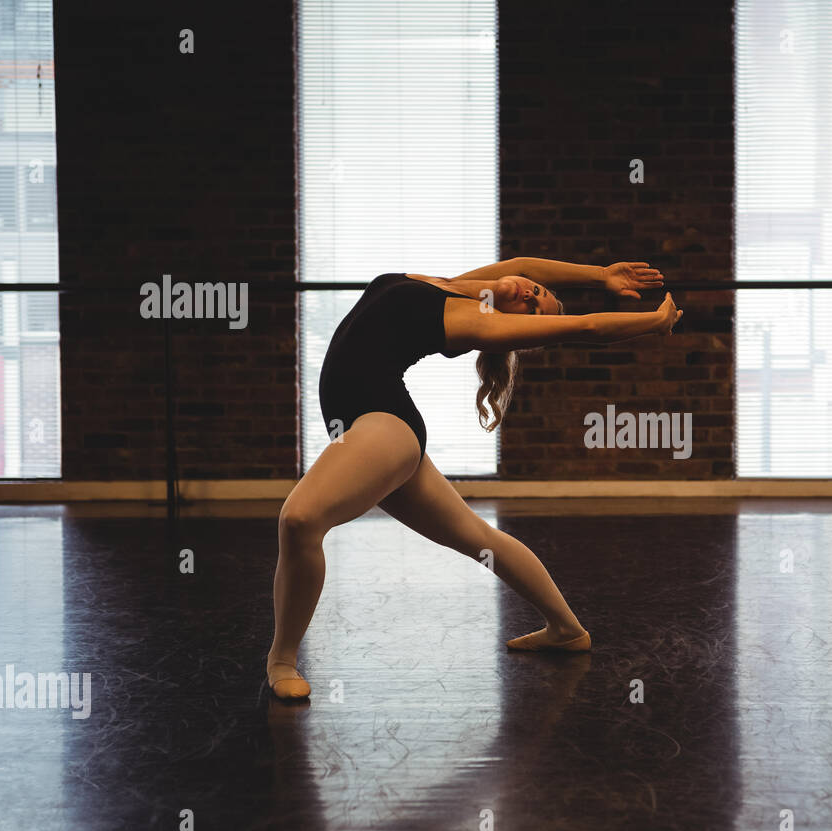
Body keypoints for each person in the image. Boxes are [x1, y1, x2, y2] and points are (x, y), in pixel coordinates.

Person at [265, 258, 681, 699]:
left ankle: (281, 659)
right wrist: (600, 276)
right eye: (537, 292)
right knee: (479, 539)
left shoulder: (477, 320)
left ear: (515, 327)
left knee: (300, 520)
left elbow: (588, 327)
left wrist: (653, 322)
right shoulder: (455, 287)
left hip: (384, 426)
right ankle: (567, 630)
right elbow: (522, 266)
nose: (529, 294)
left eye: (533, 310)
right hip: (373, 432)